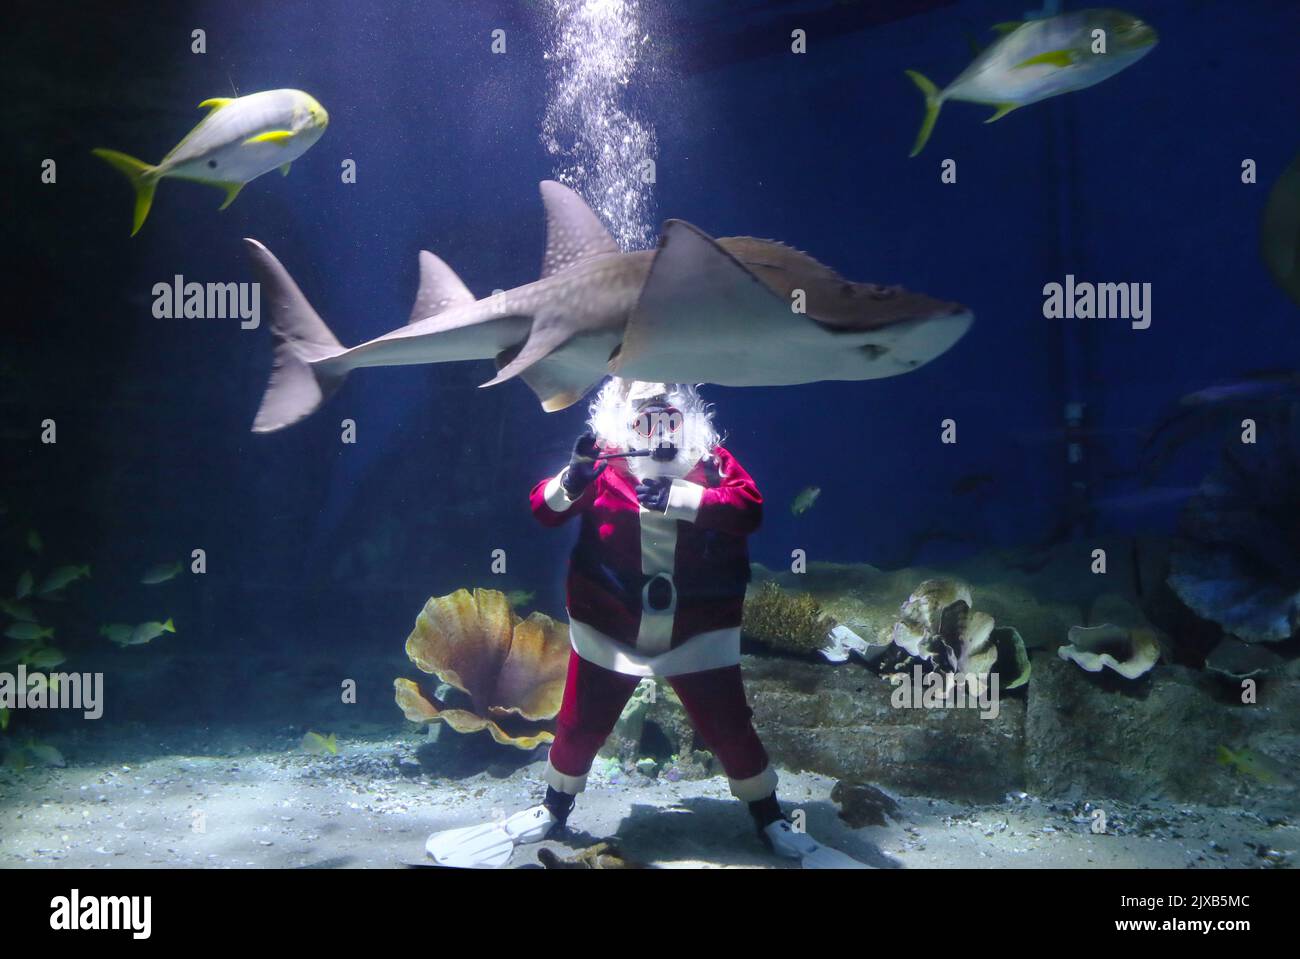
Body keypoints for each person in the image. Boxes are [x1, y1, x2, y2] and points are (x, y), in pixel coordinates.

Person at [426, 379, 858, 868]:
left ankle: (771, 817)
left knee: (730, 728)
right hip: (609, 627)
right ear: (619, 420)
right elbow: (543, 510)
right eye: (644, 420)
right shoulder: (604, 465)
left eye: (667, 418)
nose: (657, 433)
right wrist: (572, 478)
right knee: (579, 725)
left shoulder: (712, 462)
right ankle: (554, 806)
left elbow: (748, 510)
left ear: (687, 415)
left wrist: (682, 498)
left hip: (698, 629)